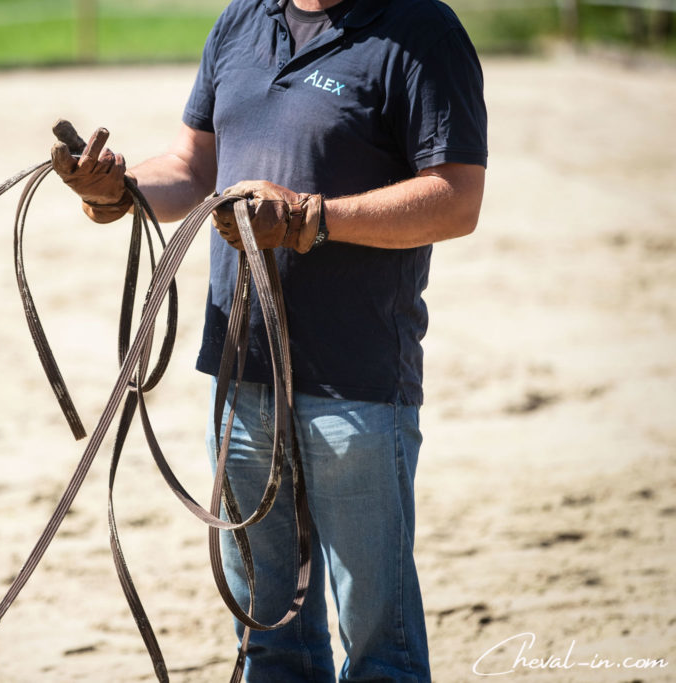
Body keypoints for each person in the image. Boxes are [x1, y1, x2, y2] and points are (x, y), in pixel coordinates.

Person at [51, 0, 487, 680]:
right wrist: (120, 190)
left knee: (382, 649)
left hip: (359, 383)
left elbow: (457, 197)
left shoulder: (421, 31)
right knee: (268, 639)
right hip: (241, 373)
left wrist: (310, 218)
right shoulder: (241, 23)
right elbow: (195, 168)